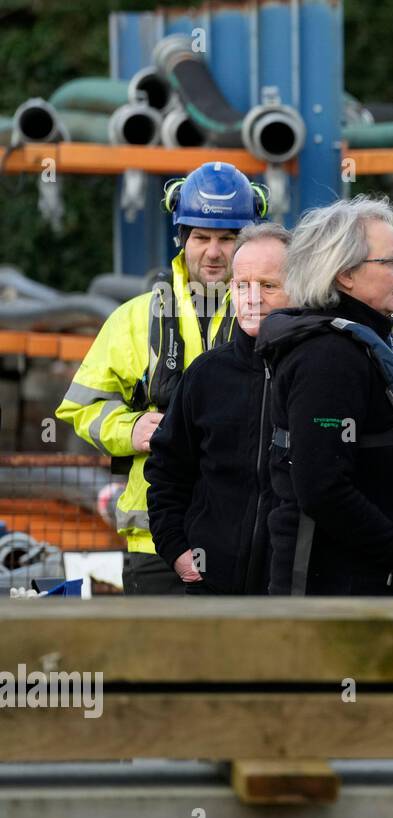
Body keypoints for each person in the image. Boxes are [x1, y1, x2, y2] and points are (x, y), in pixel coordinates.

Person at [56, 161, 267, 594]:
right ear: (182, 238)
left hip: (247, 533)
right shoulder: (133, 320)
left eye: (228, 238)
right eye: (202, 237)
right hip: (153, 540)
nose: (213, 252)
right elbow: (79, 406)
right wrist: (130, 428)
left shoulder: (271, 315)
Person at [256, 196, 393, 596]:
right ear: (345, 275)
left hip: (372, 588)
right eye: (392, 262)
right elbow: (321, 487)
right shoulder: (327, 357)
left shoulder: (359, 343)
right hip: (347, 598)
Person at [145, 222, 291, 595]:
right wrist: (174, 546)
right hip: (211, 590)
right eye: (242, 285)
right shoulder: (207, 375)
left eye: (269, 286)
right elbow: (167, 469)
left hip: (296, 596)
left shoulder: (322, 370)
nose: (252, 298)